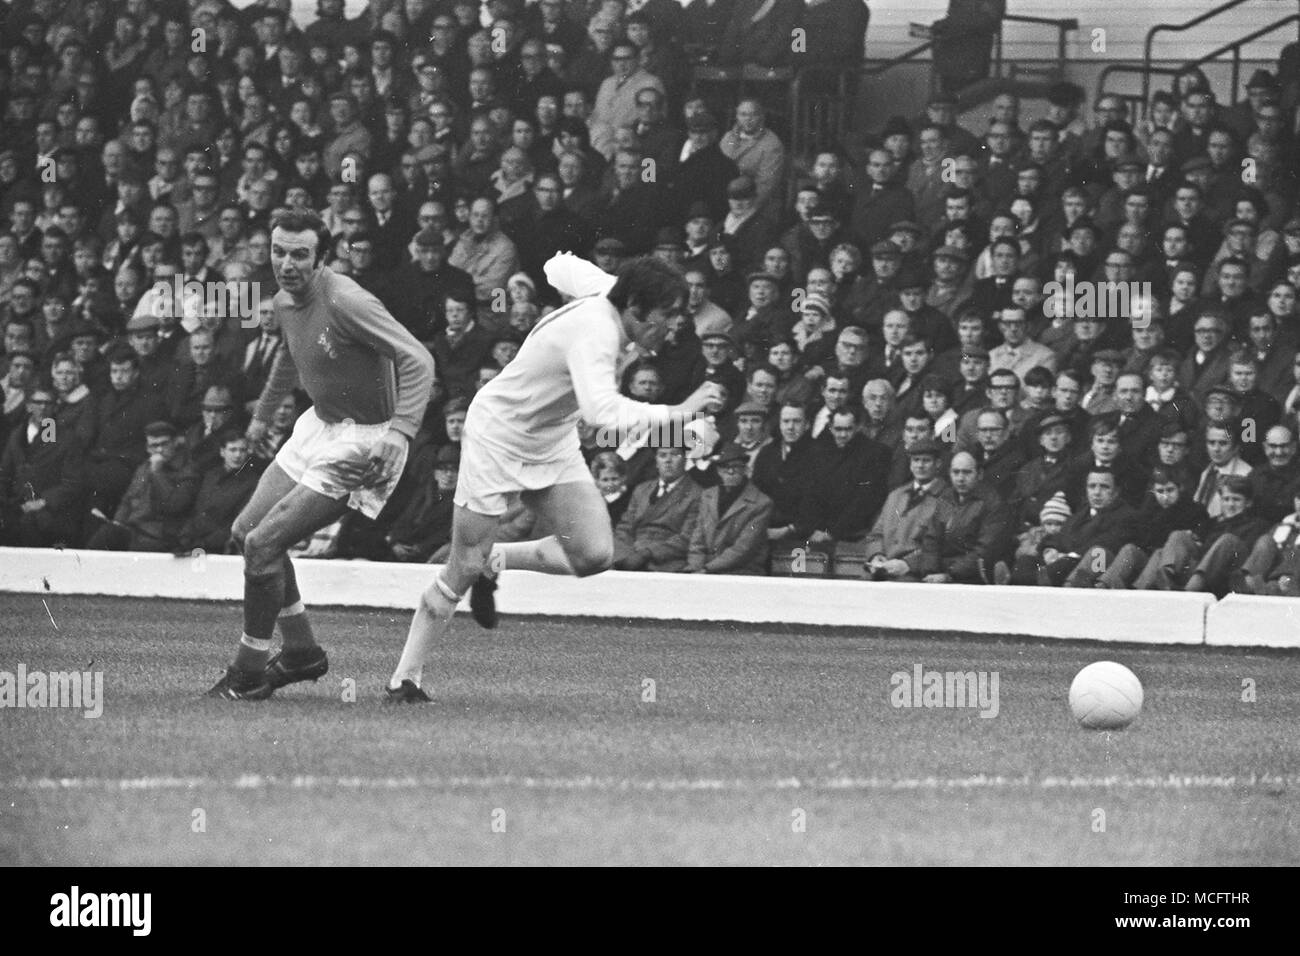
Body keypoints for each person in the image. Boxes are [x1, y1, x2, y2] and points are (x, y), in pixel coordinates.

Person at [385, 254, 724, 702]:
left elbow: (555, 265)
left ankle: (496, 559)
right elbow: (603, 412)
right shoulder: (598, 331)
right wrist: (683, 417)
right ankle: (404, 680)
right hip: (497, 435)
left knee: (594, 554)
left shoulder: (612, 294)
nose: (674, 326)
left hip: (551, 438)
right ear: (638, 308)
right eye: (668, 315)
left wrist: (573, 280)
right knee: (462, 563)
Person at [208, 211, 437, 701]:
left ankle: (248, 672)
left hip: (365, 440)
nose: (286, 264)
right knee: (247, 533)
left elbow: (418, 358)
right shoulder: (284, 301)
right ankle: (301, 653)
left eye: (299, 254)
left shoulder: (347, 299)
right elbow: (291, 359)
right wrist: (259, 420)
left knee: (263, 546)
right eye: (278, 251)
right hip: (319, 425)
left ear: (321, 258)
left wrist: (400, 433)